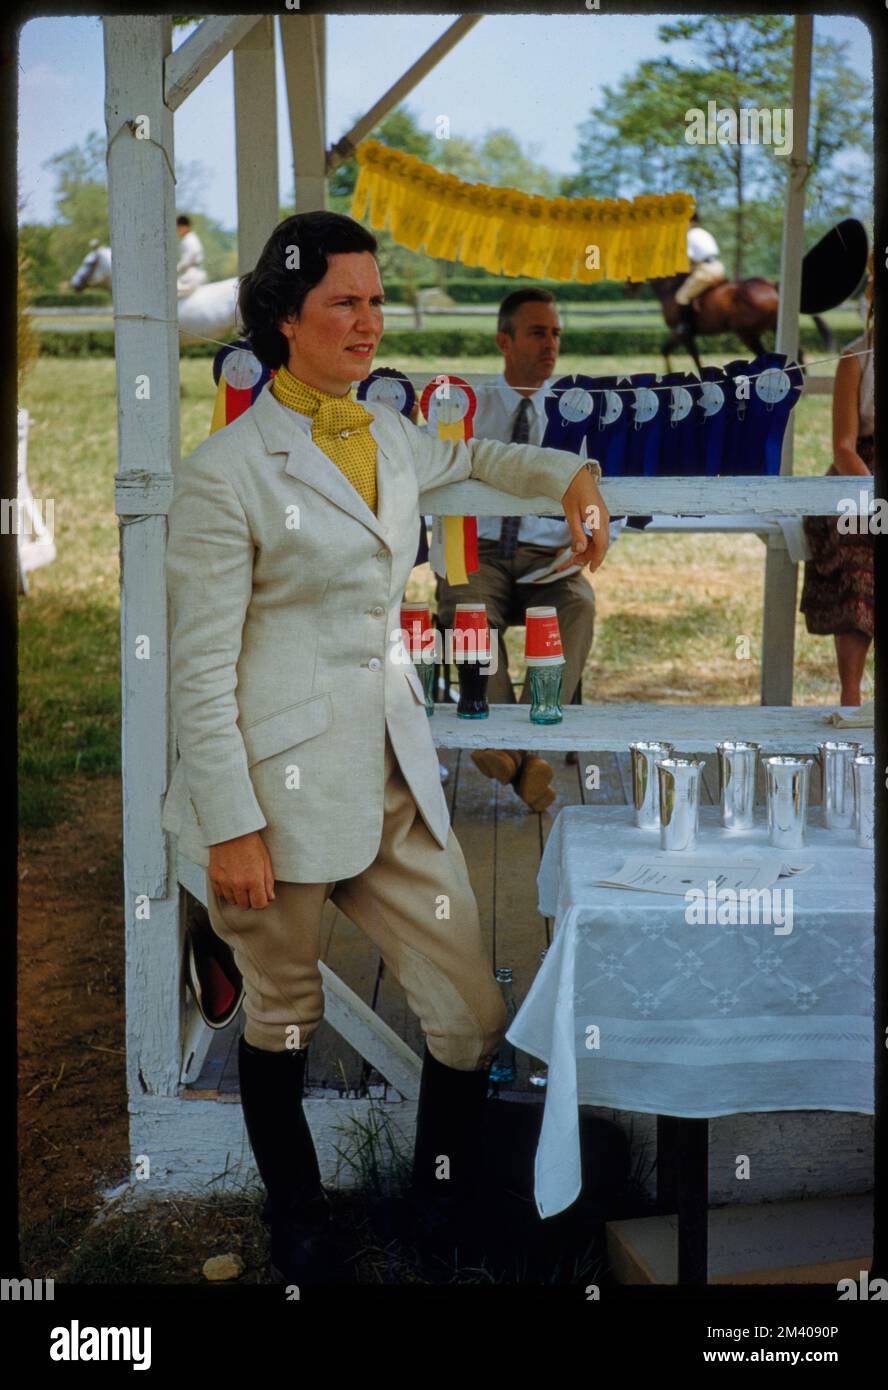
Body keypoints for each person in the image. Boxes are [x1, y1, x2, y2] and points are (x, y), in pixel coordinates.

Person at [160, 212, 609, 1282]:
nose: (370, 323)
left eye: (375, 299)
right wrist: (231, 827)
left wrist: (570, 475)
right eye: (343, 305)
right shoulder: (226, 472)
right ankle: (301, 1223)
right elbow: (195, 670)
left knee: (470, 1012)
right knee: (281, 1017)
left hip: (392, 775)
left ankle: (439, 1211)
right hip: (276, 793)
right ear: (281, 322)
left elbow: (479, 453)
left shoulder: (390, 432)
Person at [433, 288, 619, 812]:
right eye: (537, 332)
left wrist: (587, 547)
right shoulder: (463, 407)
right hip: (481, 552)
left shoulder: (576, 410)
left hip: (549, 560)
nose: (550, 344)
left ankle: (517, 749)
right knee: (467, 609)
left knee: (579, 604)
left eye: (556, 333)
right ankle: (526, 761)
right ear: (503, 340)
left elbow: (606, 502)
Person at [799, 256, 874, 705]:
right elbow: (843, 446)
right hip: (858, 474)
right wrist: (872, 494)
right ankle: (851, 696)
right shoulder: (856, 358)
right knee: (860, 540)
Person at [674, 210, 725, 338]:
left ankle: (685, 326)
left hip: (705, 269)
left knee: (681, 296)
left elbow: (687, 256)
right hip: (718, 266)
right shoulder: (704, 232)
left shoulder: (690, 235)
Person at [176, 214, 207, 298]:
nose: (178, 231)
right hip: (192, 272)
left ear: (184, 227)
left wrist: (176, 268)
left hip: (191, 274)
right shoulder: (190, 238)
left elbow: (190, 256)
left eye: (178, 228)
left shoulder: (189, 239)